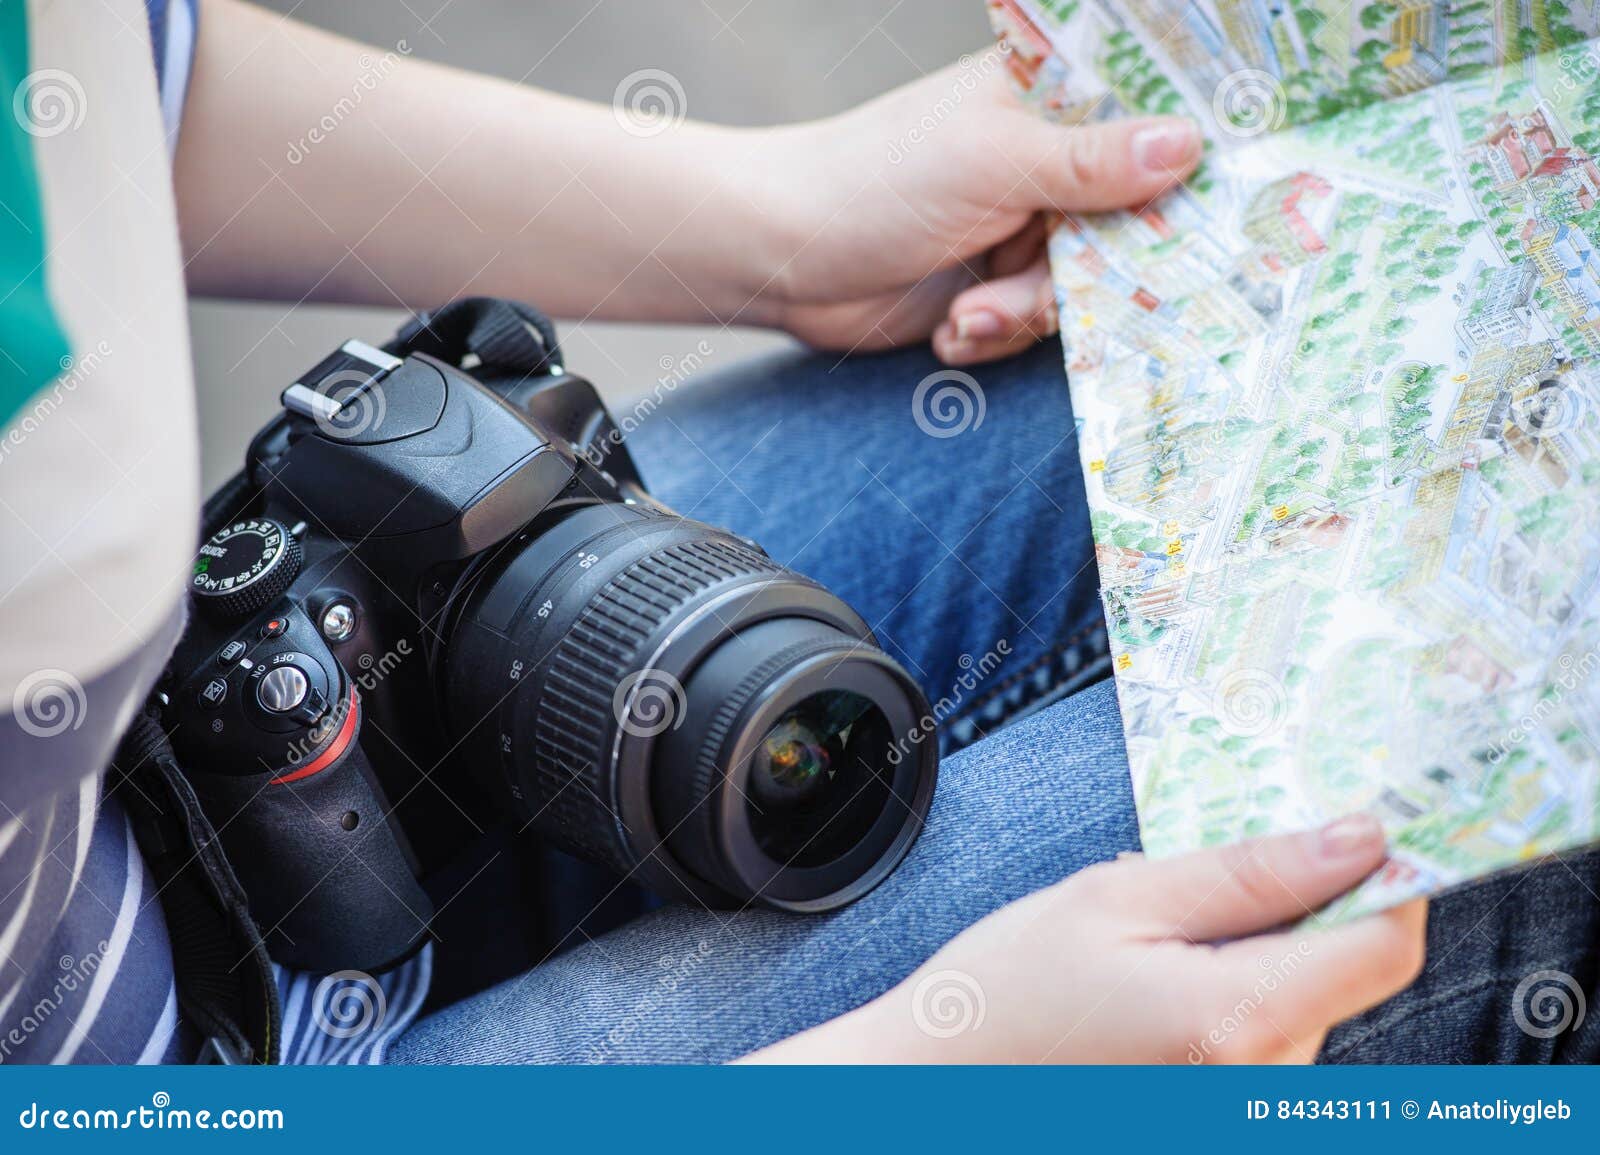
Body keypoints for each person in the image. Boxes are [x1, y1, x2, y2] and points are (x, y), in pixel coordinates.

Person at [0, 0, 1593, 1065]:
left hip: (133, 808)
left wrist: (792, 224)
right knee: (1490, 836)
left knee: (1308, 359)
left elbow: (97, 71)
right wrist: (903, 1076)